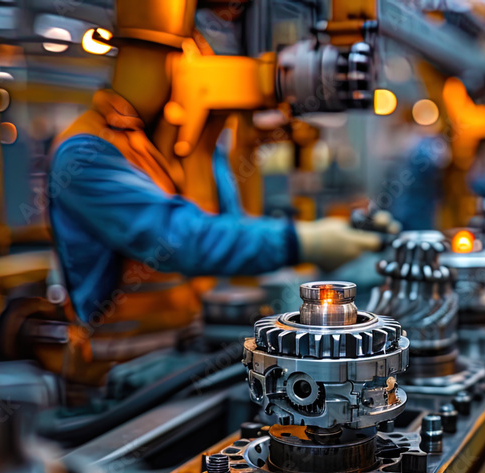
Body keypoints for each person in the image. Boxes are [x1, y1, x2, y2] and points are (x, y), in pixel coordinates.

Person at [47, 1, 381, 385]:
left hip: (191, 366)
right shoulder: (85, 154)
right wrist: (304, 241)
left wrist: (340, 234)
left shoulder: (196, 147)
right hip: (116, 384)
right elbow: (179, 239)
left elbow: (231, 230)